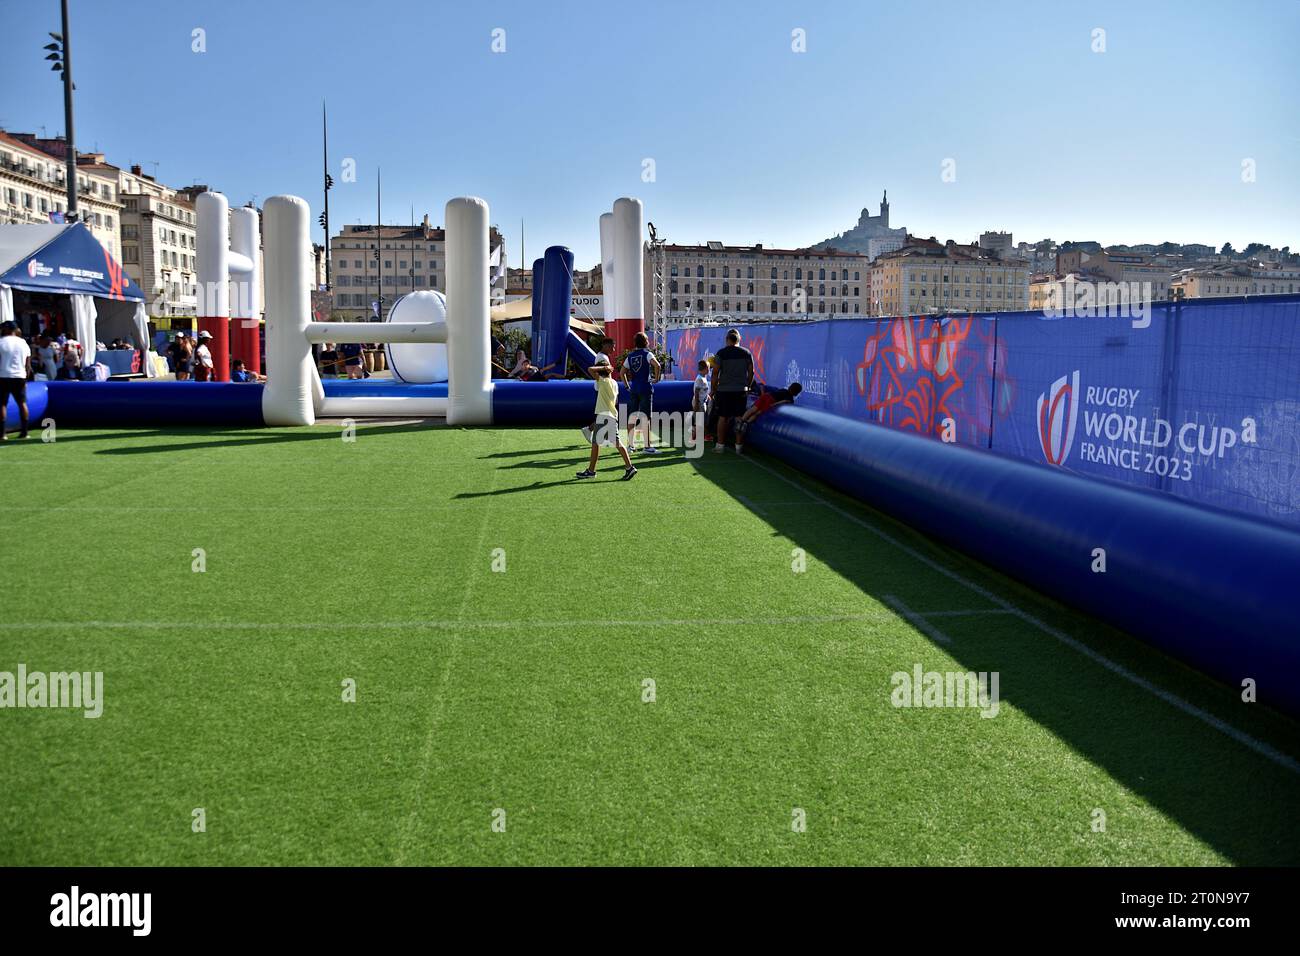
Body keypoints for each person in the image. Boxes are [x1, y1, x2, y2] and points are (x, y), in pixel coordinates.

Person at [576, 364, 636, 481]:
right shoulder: (614, 383)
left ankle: (591, 471)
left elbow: (589, 369)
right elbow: (616, 400)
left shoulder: (603, 382)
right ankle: (629, 467)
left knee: (595, 444)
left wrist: (603, 368)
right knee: (617, 442)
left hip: (603, 416)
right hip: (612, 415)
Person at [710, 328, 754, 452]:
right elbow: (751, 372)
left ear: (727, 339)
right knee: (739, 417)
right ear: (739, 339)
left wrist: (713, 390)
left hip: (724, 390)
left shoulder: (721, 353)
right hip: (741, 390)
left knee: (723, 417)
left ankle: (720, 445)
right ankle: (739, 446)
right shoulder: (747, 353)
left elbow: (715, 374)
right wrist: (748, 386)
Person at [621, 331, 661, 453]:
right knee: (646, 418)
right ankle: (647, 446)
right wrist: (657, 378)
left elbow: (622, 372)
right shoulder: (647, 354)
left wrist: (627, 386)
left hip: (634, 389)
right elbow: (657, 365)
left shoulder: (630, 356)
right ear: (645, 342)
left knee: (632, 416)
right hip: (645, 388)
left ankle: (630, 445)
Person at [735, 382, 801, 455]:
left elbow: (765, 388)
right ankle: (746, 423)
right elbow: (783, 401)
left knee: (753, 409)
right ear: (796, 393)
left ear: (790, 387)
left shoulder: (783, 390)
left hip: (766, 396)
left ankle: (741, 421)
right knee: (757, 413)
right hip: (770, 400)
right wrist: (773, 404)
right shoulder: (789, 398)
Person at [0, 321, 32, 440]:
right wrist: (26, 377)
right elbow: (28, 364)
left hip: (3, 375)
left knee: (2, 404)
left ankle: (2, 433)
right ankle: (24, 432)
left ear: (6, 330)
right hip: (19, 376)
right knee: (22, 403)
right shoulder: (23, 343)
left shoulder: (1, 342)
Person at [691, 359, 711, 443]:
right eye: (709, 368)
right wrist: (697, 403)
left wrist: (708, 397)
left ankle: (706, 436)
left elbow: (703, 391)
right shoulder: (700, 379)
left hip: (702, 402)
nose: (709, 370)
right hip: (699, 402)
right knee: (699, 421)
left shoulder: (703, 378)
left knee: (703, 420)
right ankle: (693, 438)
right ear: (706, 368)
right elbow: (697, 391)